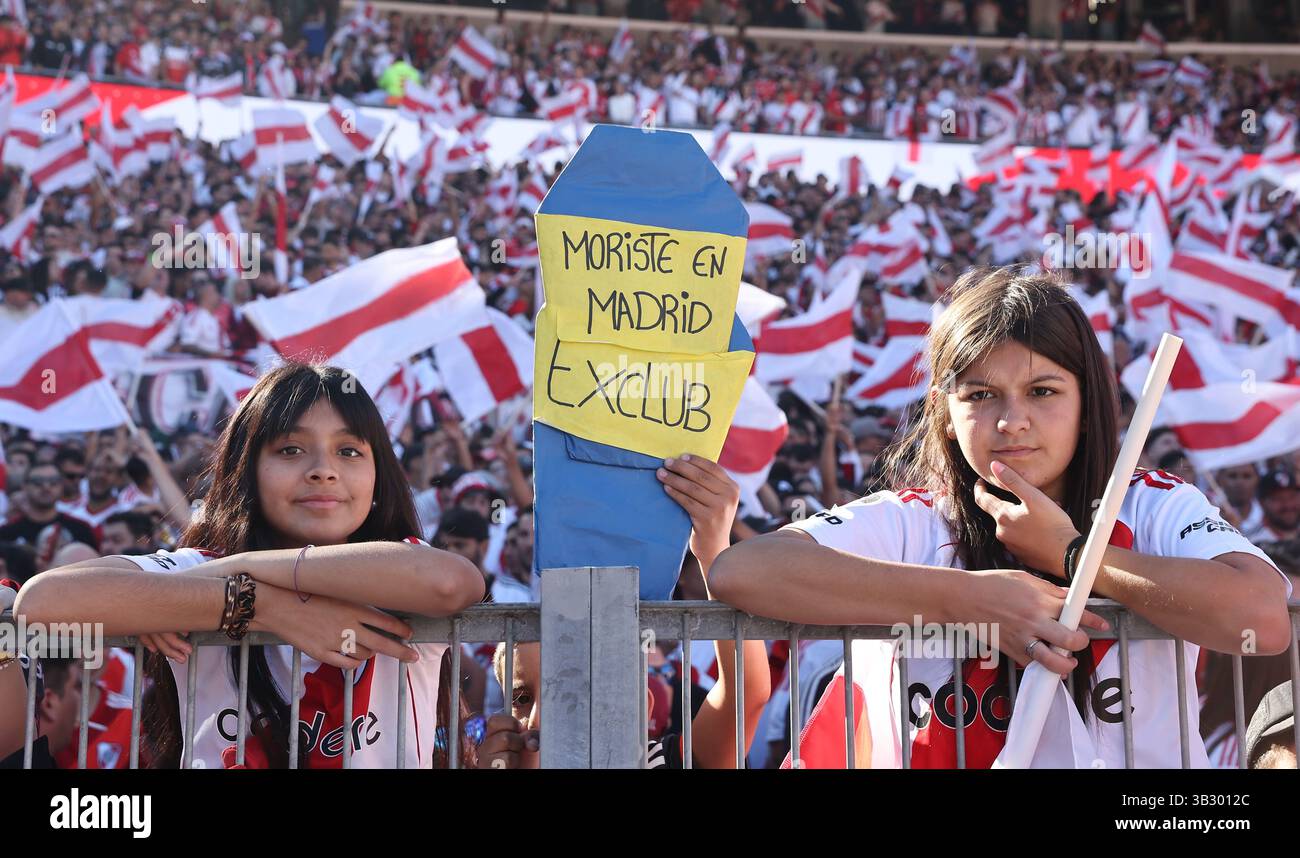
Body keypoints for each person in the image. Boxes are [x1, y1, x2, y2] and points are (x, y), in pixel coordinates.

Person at [708, 267, 1292, 768]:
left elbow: (1262, 619)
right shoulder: (916, 520)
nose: (1012, 422)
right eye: (981, 395)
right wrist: (972, 599)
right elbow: (744, 572)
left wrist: (1071, 553)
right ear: (944, 409)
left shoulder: (1155, 502)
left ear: (1089, 405)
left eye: (1042, 392)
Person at [15, 363, 485, 768]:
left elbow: (453, 582)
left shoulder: (398, 568)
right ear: (247, 471)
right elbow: (42, 602)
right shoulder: (204, 566)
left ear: (379, 475)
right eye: (290, 450)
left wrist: (240, 568)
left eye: (349, 451)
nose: (324, 470)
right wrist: (261, 606)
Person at [478, 457, 771, 768]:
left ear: (639, 707)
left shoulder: (663, 763)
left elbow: (746, 693)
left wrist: (713, 544)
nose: (538, 719)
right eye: (521, 700)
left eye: (572, 688)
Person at [0, 463, 100, 552]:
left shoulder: (81, 530)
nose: (46, 487)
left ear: (61, 486)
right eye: (38, 482)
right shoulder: (6, 533)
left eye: (53, 482)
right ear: (24, 486)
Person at [1244, 468, 1300, 543]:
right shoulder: (1250, 542)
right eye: (1278, 498)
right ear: (1262, 503)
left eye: (1292, 496)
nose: (1288, 504)